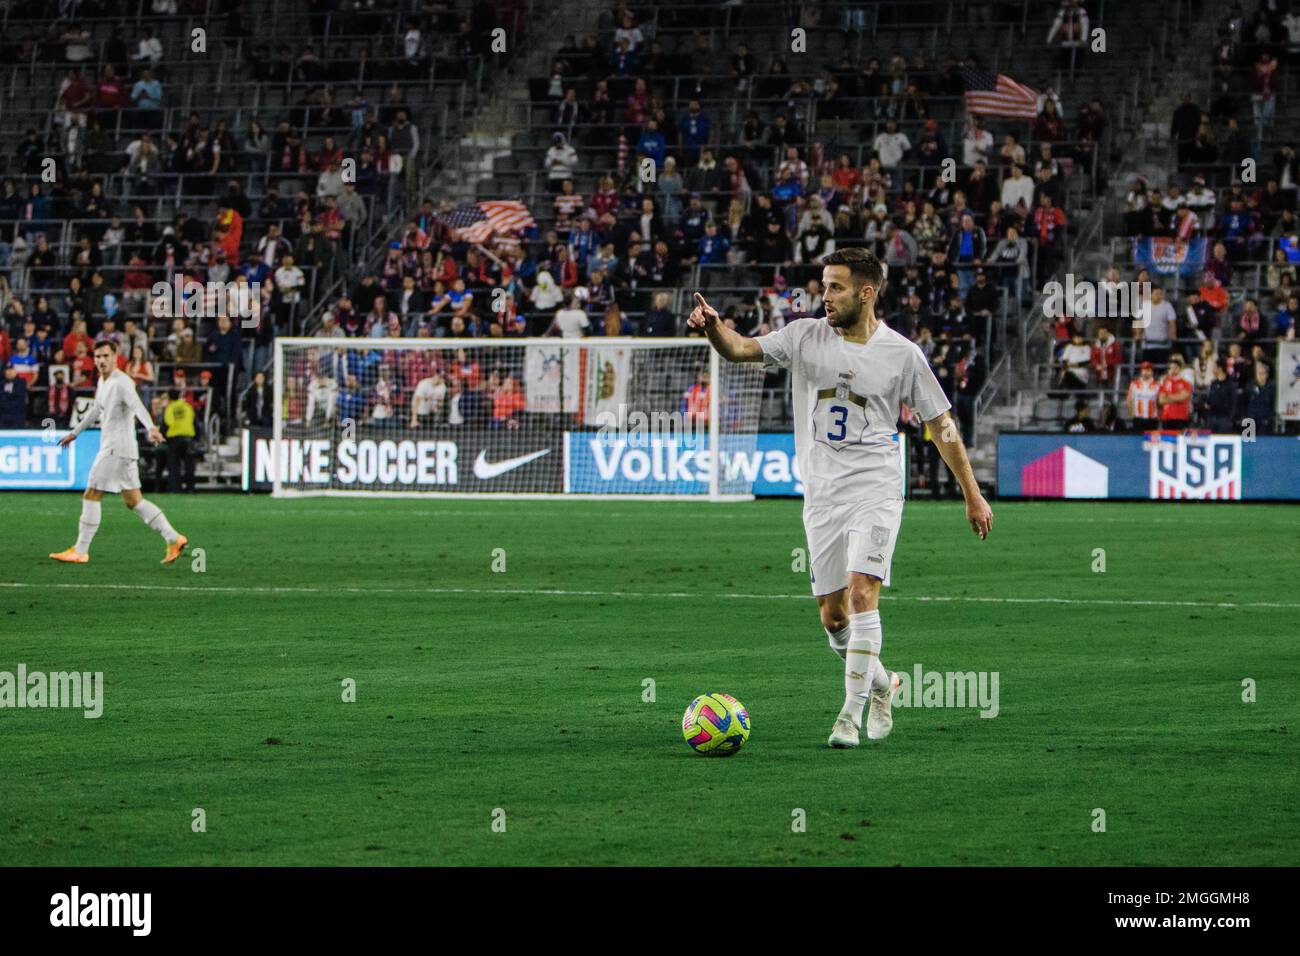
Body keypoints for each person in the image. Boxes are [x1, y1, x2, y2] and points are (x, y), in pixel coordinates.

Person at [687, 248, 993, 749]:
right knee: (833, 618)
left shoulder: (902, 354)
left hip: (876, 487)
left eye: (836, 287)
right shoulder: (804, 336)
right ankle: (883, 684)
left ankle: (848, 716)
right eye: (823, 286)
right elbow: (740, 349)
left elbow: (942, 426)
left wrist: (972, 495)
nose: (824, 296)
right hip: (822, 495)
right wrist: (713, 327)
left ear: (866, 293)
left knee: (861, 593)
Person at [50, 341, 187, 564]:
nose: (101, 360)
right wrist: (75, 433)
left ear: (116, 356)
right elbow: (95, 410)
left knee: (91, 494)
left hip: (115, 449)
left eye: (105, 356)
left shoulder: (122, 382)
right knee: (134, 501)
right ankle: (174, 538)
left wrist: (151, 427)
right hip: (124, 450)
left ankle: (81, 550)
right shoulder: (103, 382)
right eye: (97, 357)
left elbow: (137, 405)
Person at [163, 388, 196, 493]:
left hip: (175, 438)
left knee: (174, 465)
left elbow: (168, 421)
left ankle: (175, 488)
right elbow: (193, 420)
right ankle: (190, 487)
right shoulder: (187, 407)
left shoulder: (170, 408)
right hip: (188, 437)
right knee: (189, 465)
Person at [1126, 361, 1160, 431]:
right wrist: (1132, 414)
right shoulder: (1134, 384)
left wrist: (1158, 416)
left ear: (1152, 372)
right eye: (1144, 370)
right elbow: (1129, 400)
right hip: (1138, 419)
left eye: (1148, 370)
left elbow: (1159, 402)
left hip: (1152, 419)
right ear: (1141, 371)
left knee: (1151, 441)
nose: (1145, 373)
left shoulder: (1157, 385)